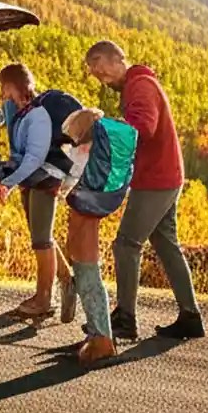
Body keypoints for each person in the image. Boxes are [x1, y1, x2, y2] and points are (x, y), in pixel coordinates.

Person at [85, 40, 204, 340]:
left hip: (156, 180)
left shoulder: (139, 86)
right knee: (165, 244)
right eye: (96, 74)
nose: (101, 78)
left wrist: (101, 128)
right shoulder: (138, 84)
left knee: (126, 244)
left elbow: (143, 128)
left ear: (117, 59)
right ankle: (190, 317)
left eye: (102, 70)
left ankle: (125, 319)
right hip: (165, 176)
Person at [0, 63, 74, 322]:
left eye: (4, 85)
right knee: (40, 233)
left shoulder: (38, 114)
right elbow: (19, 152)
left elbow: (35, 158)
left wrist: (8, 183)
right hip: (30, 177)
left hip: (46, 177)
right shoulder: (16, 109)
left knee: (41, 239)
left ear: (14, 84)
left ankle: (43, 299)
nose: (2, 92)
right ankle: (67, 280)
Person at [59, 107, 138, 365]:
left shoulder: (85, 151)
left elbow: (68, 179)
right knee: (85, 262)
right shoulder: (101, 155)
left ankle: (101, 339)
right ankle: (98, 334)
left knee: (86, 264)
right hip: (98, 200)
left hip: (87, 204)